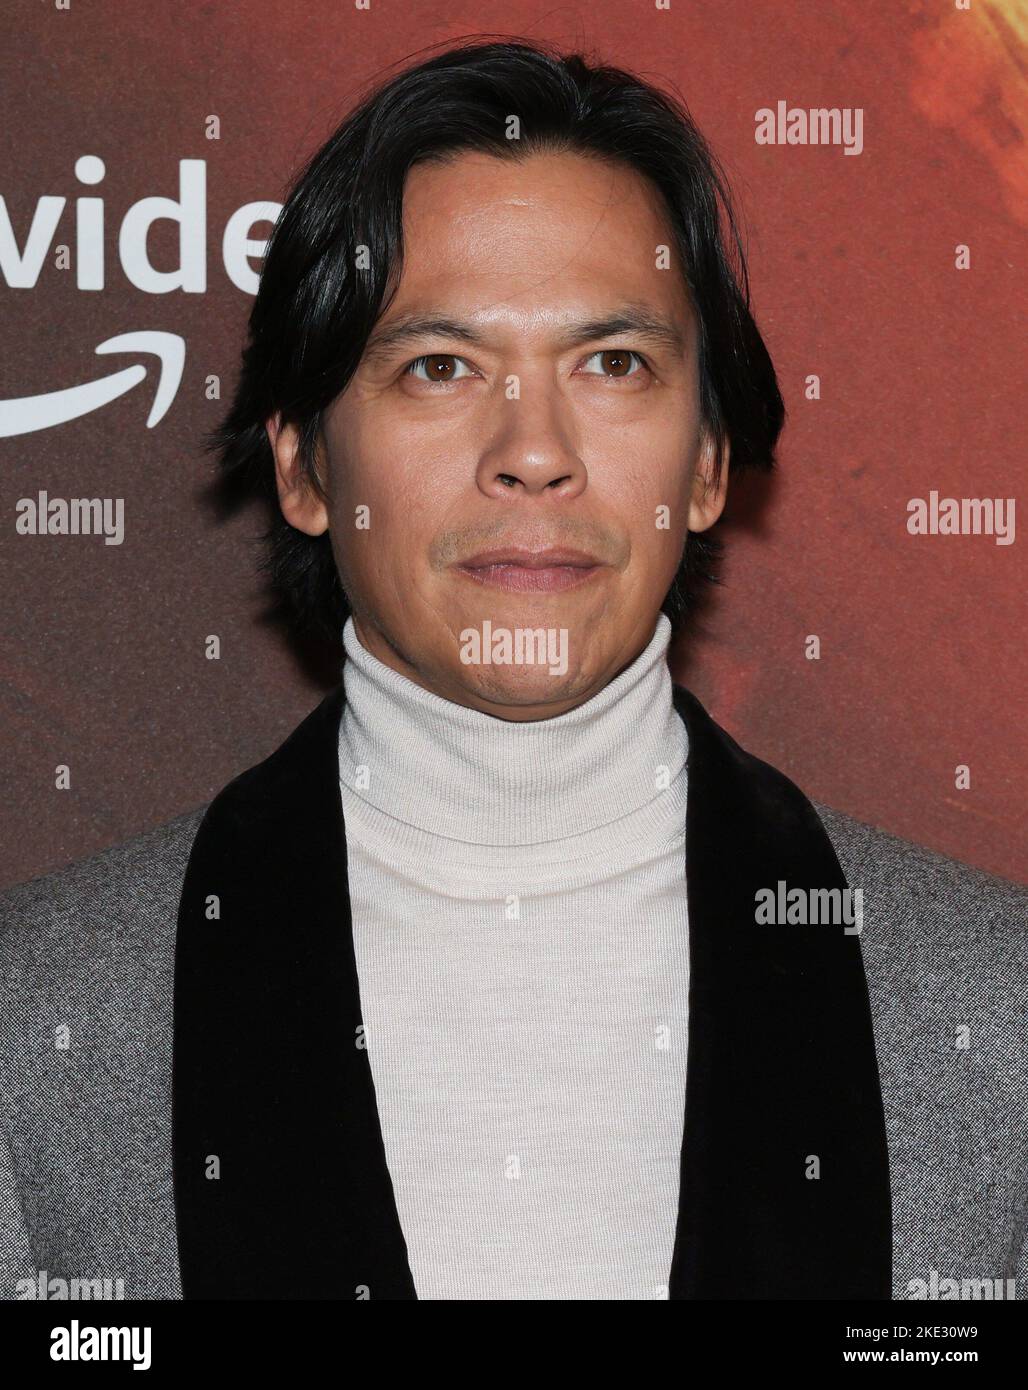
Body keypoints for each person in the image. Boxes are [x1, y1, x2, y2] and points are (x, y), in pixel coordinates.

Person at [1, 39, 1024, 1303]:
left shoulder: (996, 1010)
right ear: (304, 468)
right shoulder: (36, 1023)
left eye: (612, 364)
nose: (532, 453)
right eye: (439, 367)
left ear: (707, 462)